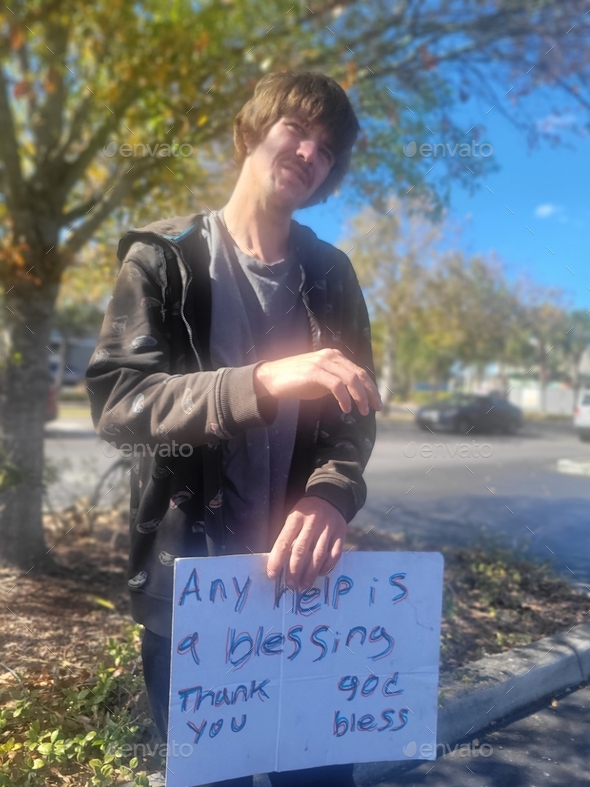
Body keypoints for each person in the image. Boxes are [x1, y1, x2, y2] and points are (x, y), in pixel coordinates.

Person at [86, 70, 382, 787]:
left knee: (317, 777)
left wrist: (330, 493)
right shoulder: (163, 257)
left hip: (305, 587)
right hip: (191, 591)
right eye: (295, 129)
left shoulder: (330, 272)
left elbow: (356, 411)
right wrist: (258, 384)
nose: (310, 152)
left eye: (326, 148)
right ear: (251, 130)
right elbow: (120, 405)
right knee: (210, 778)